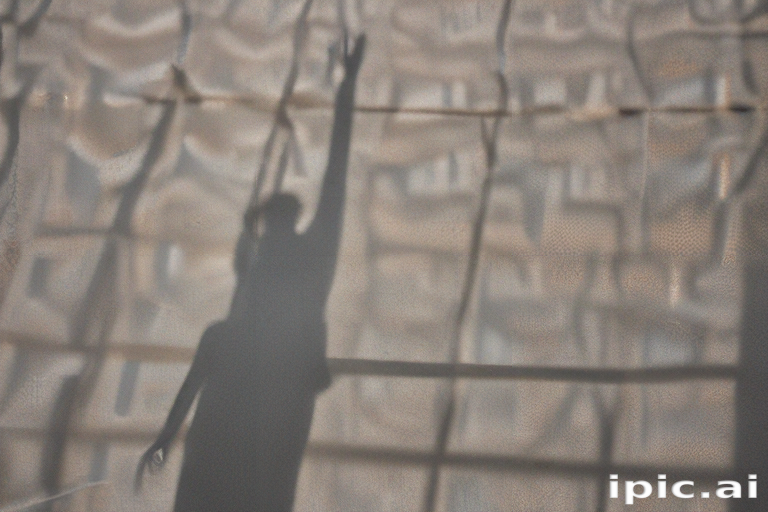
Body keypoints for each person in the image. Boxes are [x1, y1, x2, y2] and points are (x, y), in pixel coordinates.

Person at [135, 34, 366, 512]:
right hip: (241, 460)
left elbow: (336, 181)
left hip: (233, 461)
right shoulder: (266, 312)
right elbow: (190, 391)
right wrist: (163, 438)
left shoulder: (283, 287)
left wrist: (347, 91)